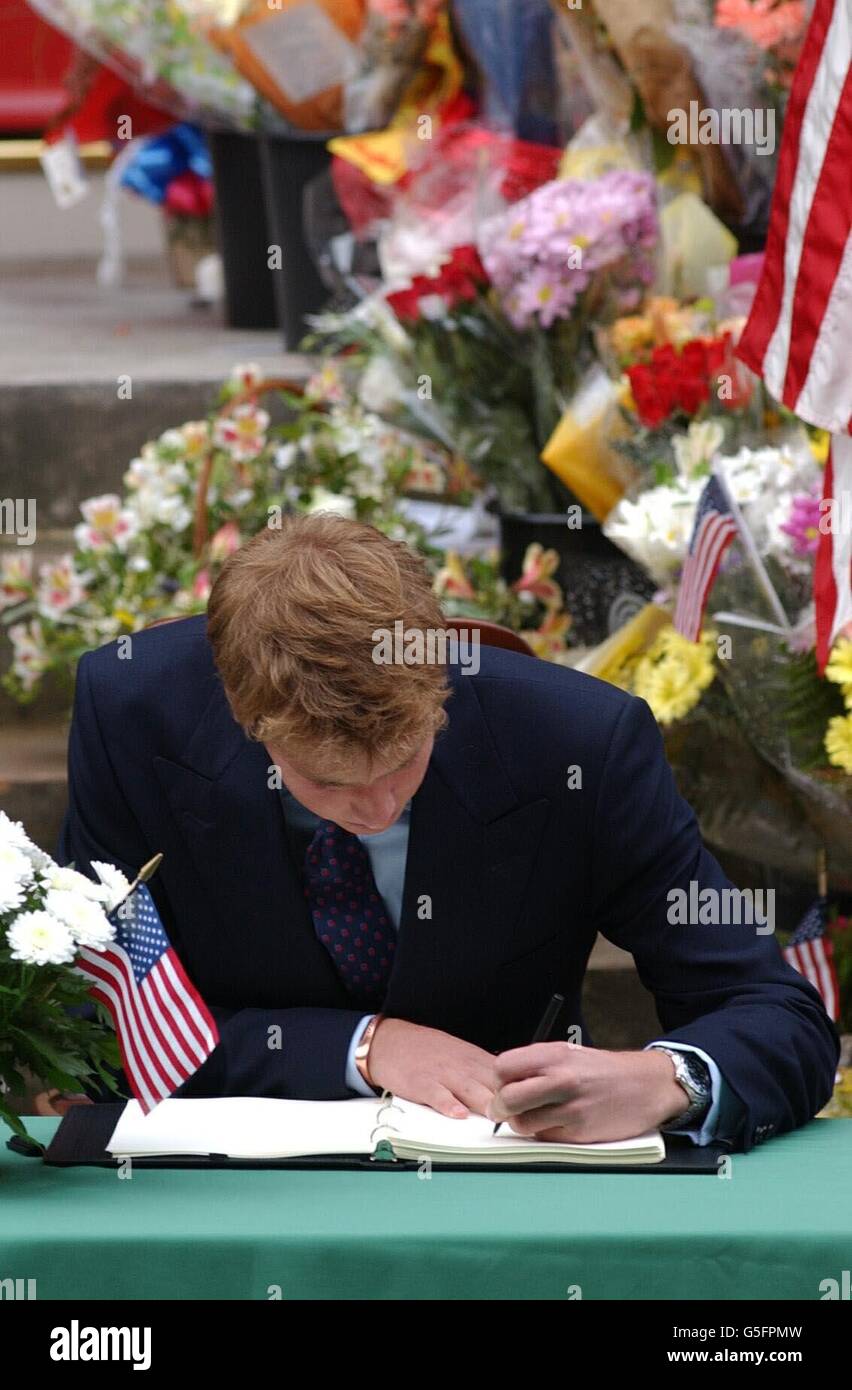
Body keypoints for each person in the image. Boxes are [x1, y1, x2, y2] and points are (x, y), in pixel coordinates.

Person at [60, 513, 839, 1151]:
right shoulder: (131, 713)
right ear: (245, 719)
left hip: (509, 1178)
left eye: (403, 762)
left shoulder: (579, 742)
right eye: (327, 781)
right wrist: (362, 1045)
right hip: (219, 1186)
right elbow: (97, 1018)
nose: (374, 809)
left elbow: (777, 1011)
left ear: (439, 684)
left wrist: (671, 1079)